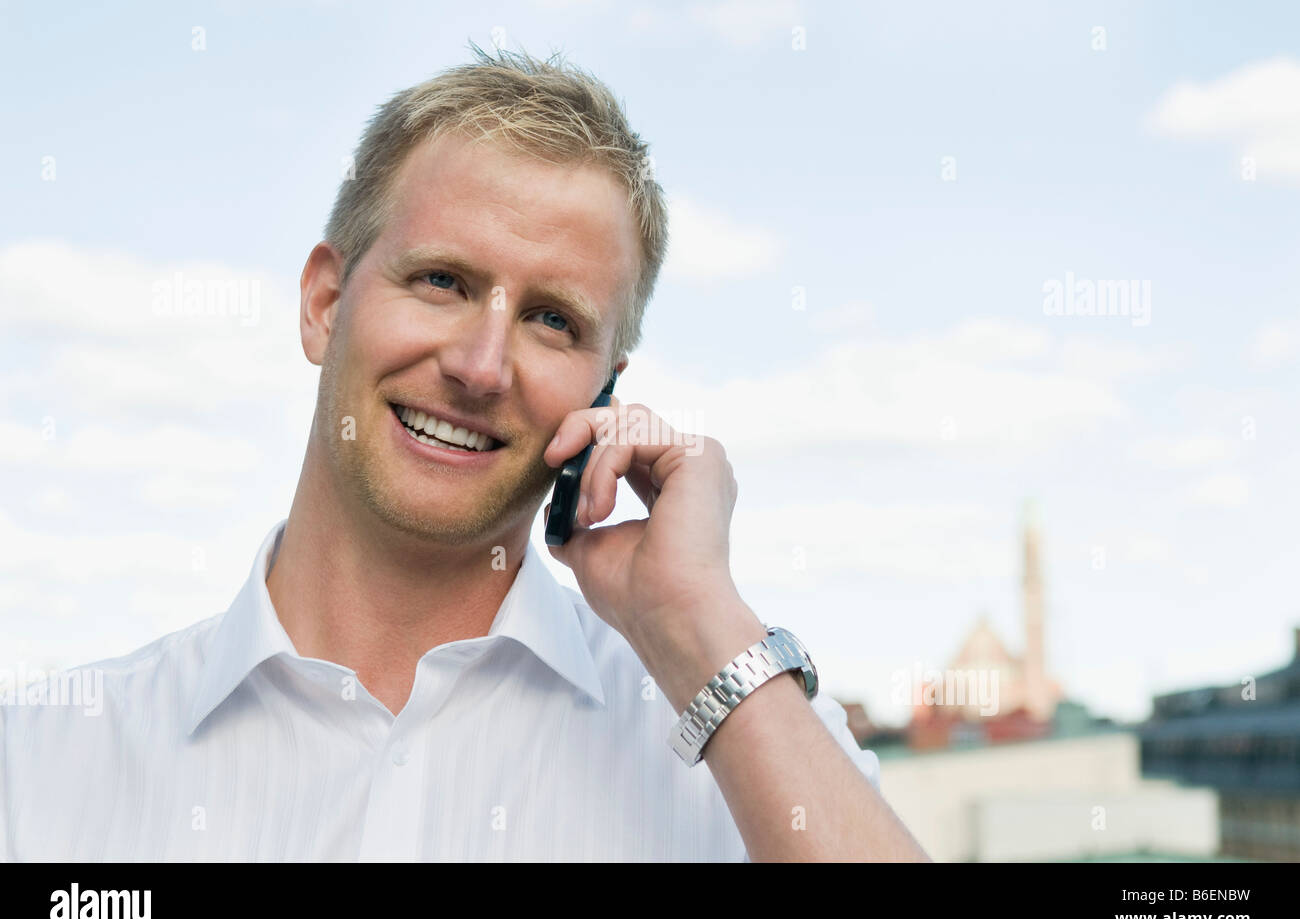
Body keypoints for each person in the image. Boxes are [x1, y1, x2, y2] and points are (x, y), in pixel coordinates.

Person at [0, 44, 929, 862]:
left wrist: (696, 619)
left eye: (551, 320)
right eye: (441, 281)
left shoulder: (741, 749)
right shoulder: (44, 763)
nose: (482, 368)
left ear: (607, 390)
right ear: (325, 303)